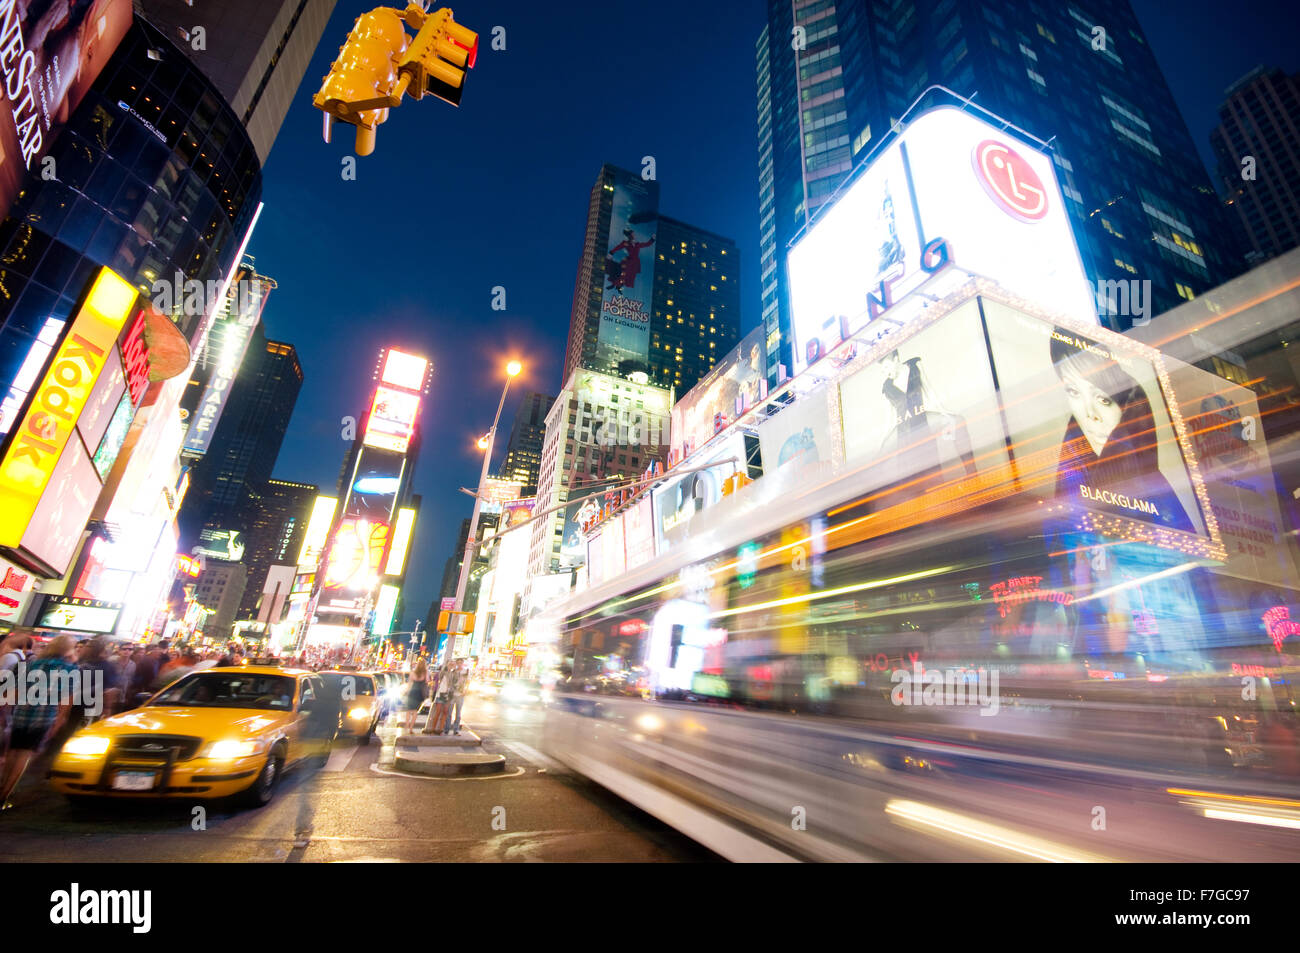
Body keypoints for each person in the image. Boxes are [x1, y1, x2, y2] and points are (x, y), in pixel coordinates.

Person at [1048, 330, 1194, 532]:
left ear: (1126, 408)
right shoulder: (1070, 485)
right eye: (1074, 392)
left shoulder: (1160, 500)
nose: (1090, 414)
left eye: (1103, 400)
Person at [0, 635, 78, 811]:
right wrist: (59, 721)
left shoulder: (33, 664)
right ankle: (4, 795)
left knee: (13, 752)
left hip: (22, 712)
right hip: (44, 716)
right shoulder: (69, 669)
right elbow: (65, 701)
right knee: (24, 755)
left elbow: (16, 690)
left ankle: (1, 787)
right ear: (68, 649)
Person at [404, 659, 429, 733]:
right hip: (419, 693)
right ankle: (411, 728)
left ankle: (406, 726)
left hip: (412, 692)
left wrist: (407, 692)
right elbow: (427, 681)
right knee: (415, 712)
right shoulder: (425, 673)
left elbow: (409, 683)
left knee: (408, 710)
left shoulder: (413, 672)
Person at [445, 662, 468, 736]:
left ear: (463, 664)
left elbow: (468, 682)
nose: (459, 664)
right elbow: (448, 681)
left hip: (460, 695)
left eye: (460, 663)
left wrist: (466, 690)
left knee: (458, 714)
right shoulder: (453, 672)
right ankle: (446, 729)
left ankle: (456, 729)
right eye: (458, 663)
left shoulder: (466, 672)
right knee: (449, 713)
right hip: (452, 694)